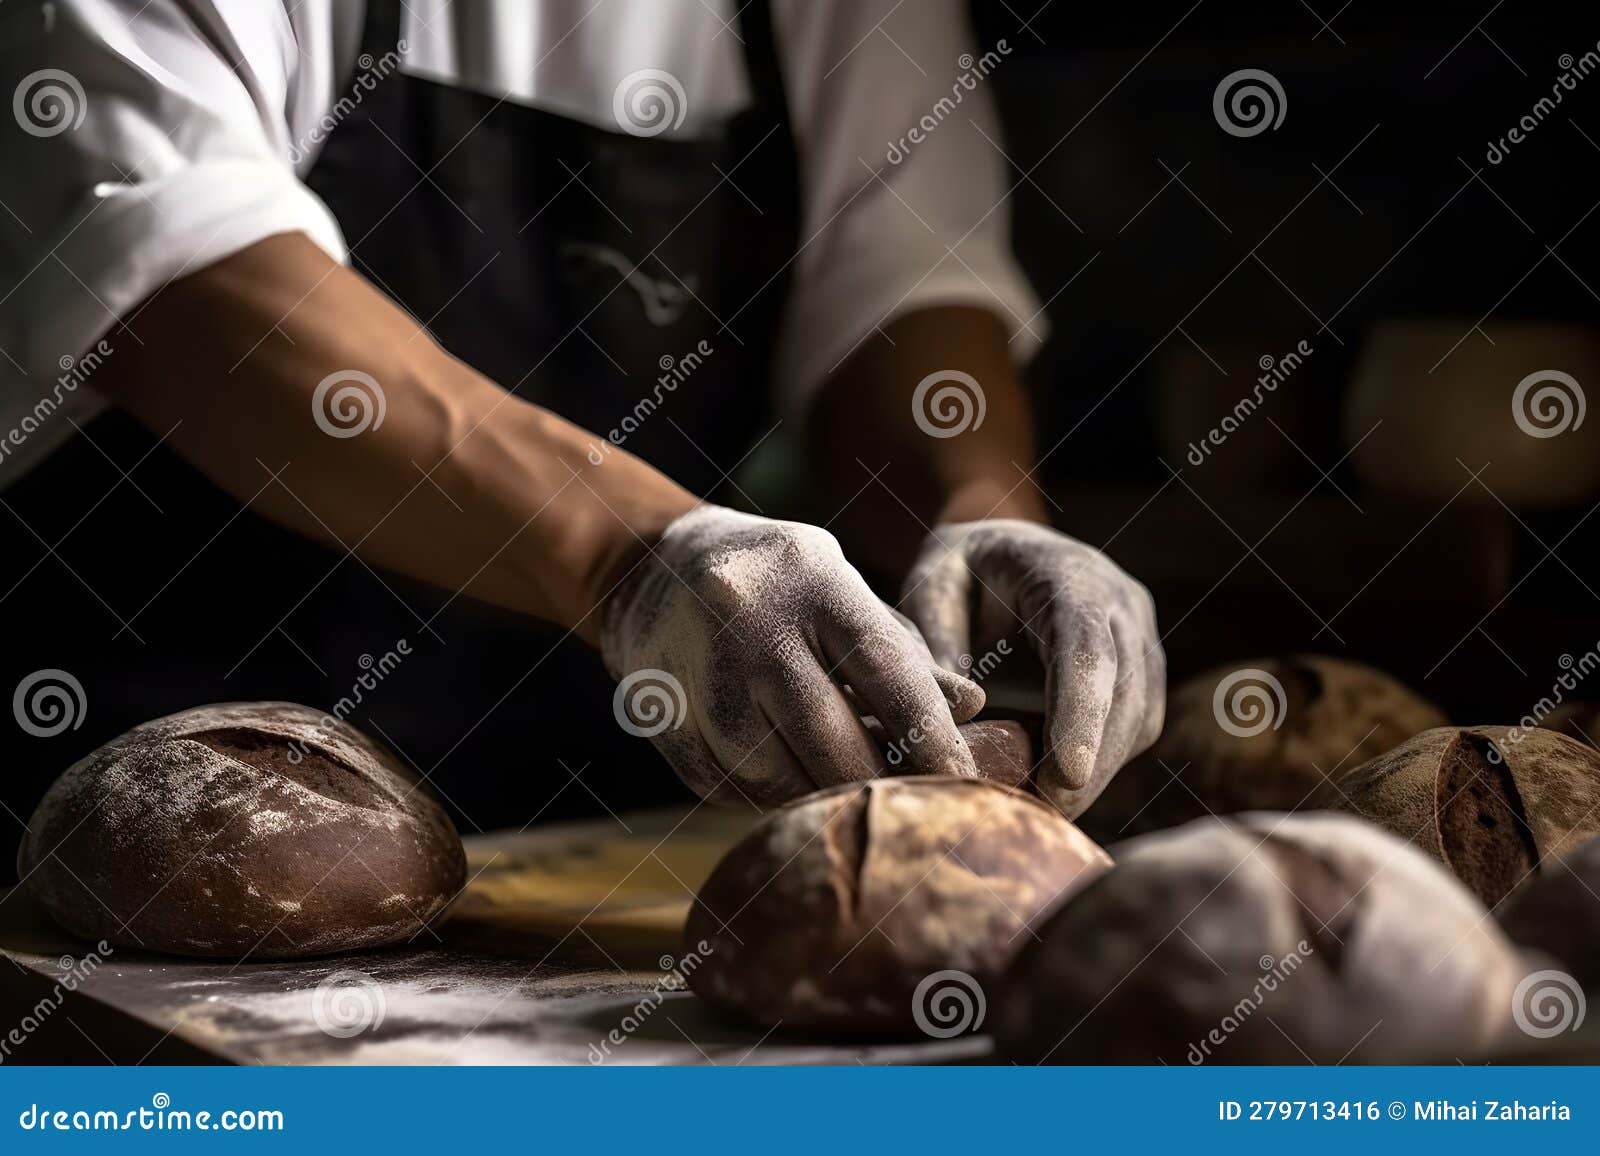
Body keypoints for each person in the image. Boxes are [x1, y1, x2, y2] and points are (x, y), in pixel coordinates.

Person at [0, 0, 1163, 856]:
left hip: (606, 827)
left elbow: (903, 292)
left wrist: (977, 519)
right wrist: (634, 557)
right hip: (150, 806)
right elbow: (191, 298)